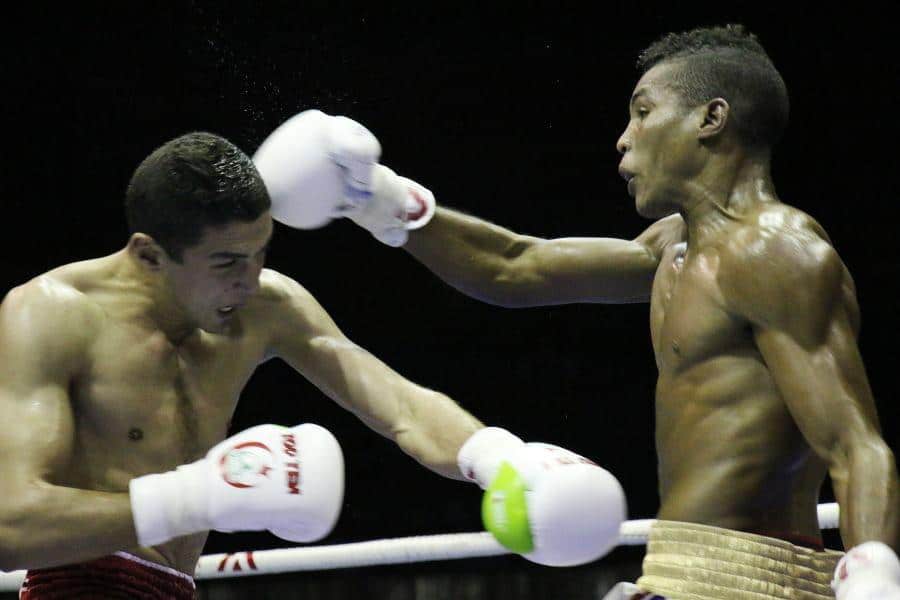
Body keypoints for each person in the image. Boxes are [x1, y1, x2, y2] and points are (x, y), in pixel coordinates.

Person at [265, 24, 900, 598]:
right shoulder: (674, 247)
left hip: (756, 577)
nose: (624, 140)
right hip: (677, 572)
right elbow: (516, 267)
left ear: (711, 119)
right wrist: (378, 201)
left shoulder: (777, 253)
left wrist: (873, 576)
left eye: (644, 112)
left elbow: (856, 444)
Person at [0, 132, 626, 598]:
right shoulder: (53, 314)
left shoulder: (269, 304)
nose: (249, 280)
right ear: (148, 255)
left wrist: (500, 458)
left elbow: (397, 403)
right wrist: (199, 497)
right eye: (226, 262)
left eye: (261, 252)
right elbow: (11, 527)